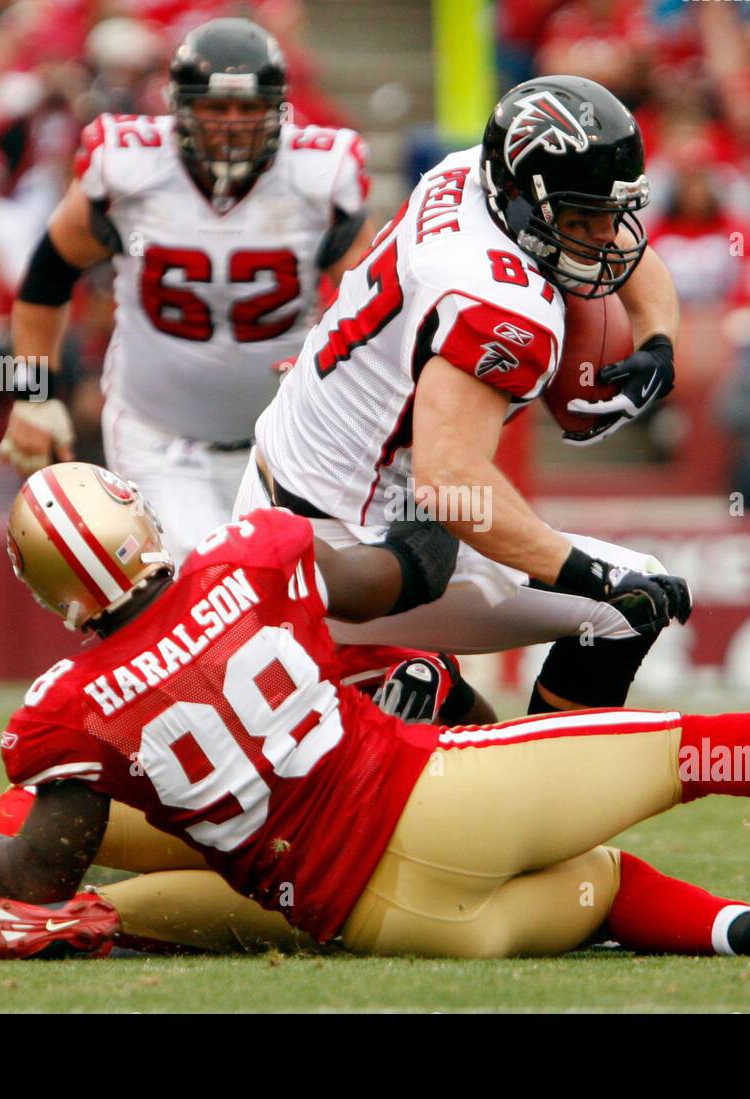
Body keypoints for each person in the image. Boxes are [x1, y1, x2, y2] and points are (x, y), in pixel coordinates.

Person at [0, 463, 750, 960]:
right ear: (141, 525)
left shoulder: (61, 708)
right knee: (678, 753)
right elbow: (407, 572)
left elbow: (28, 876)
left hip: (372, 924)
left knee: (98, 910)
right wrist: (429, 480)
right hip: (425, 800)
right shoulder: (252, 556)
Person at [242, 74, 688, 717]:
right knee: (629, 603)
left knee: (463, 733)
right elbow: (448, 483)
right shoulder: (499, 303)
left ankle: (433, 704)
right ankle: (548, 798)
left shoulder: (469, 175)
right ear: (527, 199)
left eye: (607, 213)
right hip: (348, 552)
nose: (604, 237)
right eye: (582, 218)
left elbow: (615, 238)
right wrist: (592, 575)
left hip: (285, 488)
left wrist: (658, 340)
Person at [0, 18, 375, 564]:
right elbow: (46, 277)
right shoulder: (129, 169)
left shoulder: (317, 178)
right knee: (200, 582)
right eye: (215, 108)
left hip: (284, 443)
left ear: (277, 111)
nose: (231, 124)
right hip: (158, 437)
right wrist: (33, 398)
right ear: (178, 107)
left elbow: (369, 307)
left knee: (295, 596)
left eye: (248, 109)